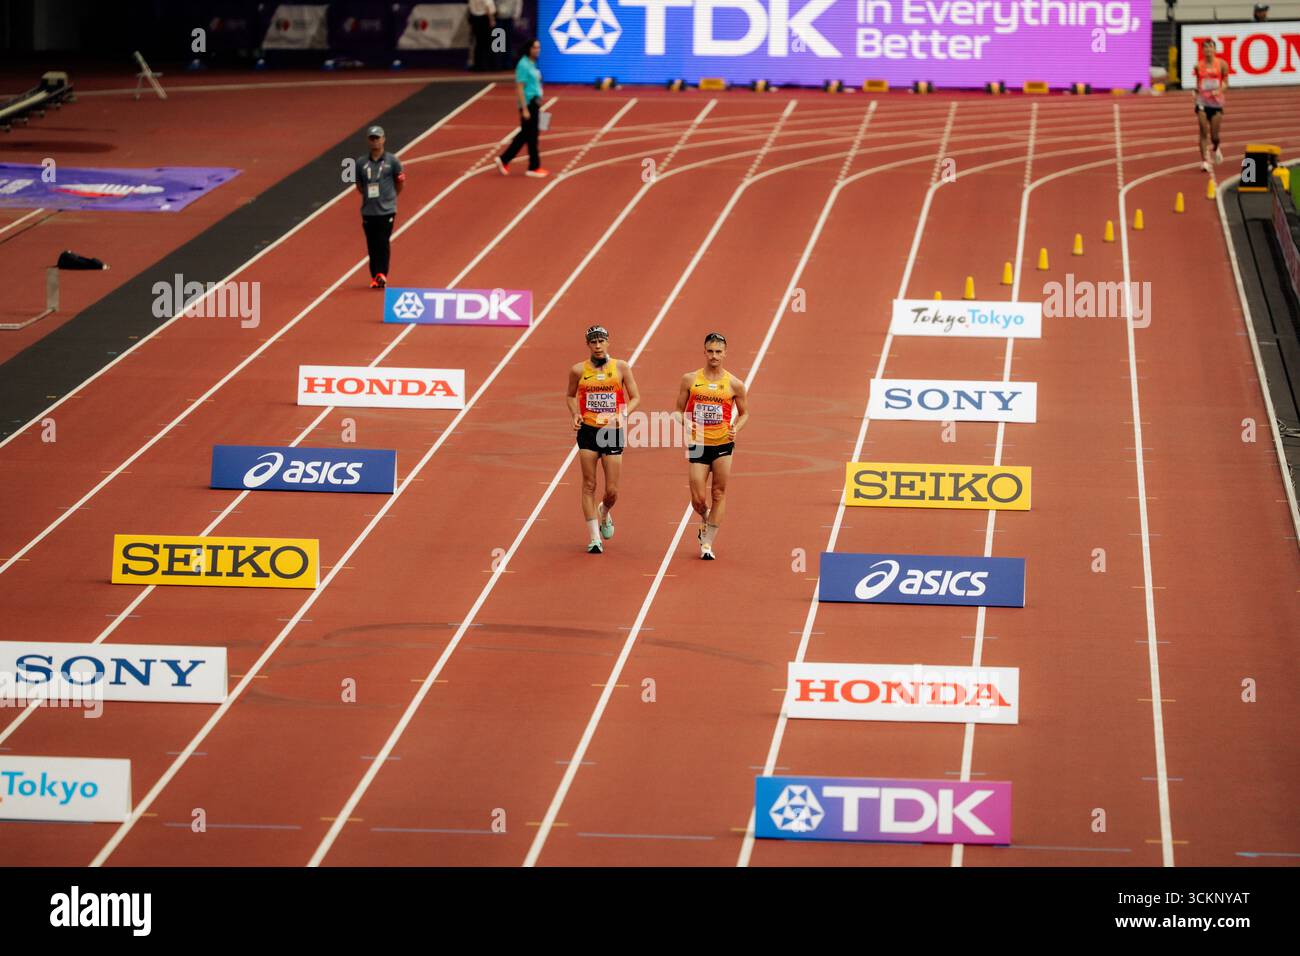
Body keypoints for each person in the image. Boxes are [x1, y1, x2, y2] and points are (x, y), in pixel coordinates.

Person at [674, 333, 749, 561]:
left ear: (725, 353)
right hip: (697, 443)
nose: (714, 355)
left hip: (723, 443)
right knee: (697, 497)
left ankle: (707, 543)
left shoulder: (735, 384)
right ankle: (706, 518)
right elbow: (678, 410)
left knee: (719, 492)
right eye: (710, 351)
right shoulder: (690, 379)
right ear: (704, 352)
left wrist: (736, 427)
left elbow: (745, 413)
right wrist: (684, 421)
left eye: (718, 351)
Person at [567, 326, 640, 554]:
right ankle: (594, 538)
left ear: (608, 342)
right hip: (588, 430)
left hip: (611, 431)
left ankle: (605, 512)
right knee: (589, 485)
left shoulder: (621, 367)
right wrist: (575, 413)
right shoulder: (578, 370)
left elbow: (635, 397)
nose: (597, 345)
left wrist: (623, 413)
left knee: (612, 491)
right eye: (593, 342)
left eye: (601, 341)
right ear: (588, 345)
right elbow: (570, 395)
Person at [356, 125, 405, 288]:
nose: (375, 141)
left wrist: (390, 198)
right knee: (371, 245)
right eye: (372, 138)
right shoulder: (361, 162)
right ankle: (374, 275)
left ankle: (382, 274)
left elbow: (400, 182)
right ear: (368, 140)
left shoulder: (393, 161)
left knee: (382, 242)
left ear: (383, 139)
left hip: (387, 210)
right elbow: (359, 184)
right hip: (369, 211)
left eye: (377, 138)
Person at [495, 38, 548, 178]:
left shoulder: (532, 63)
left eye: (539, 47)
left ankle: (505, 159)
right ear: (529, 49)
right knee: (531, 136)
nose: (538, 50)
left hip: (534, 103)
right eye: (535, 48)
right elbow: (519, 88)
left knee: (527, 135)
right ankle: (533, 167)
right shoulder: (523, 65)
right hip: (528, 104)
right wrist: (524, 109)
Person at [1192, 40, 1228, 173]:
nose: (1208, 50)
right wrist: (1195, 92)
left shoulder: (1222, 64)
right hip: (1202, 102)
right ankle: (1204, 161)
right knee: (1202, 131)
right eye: (1205, 48)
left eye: (1210, 47)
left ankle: (1216, 147)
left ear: (1214, 50)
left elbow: (1225, 82)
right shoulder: (1198, 66)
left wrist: (1219, 90)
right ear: (1202, 51)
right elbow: (1198, 83)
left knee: (1215, 135)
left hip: (1216, 103)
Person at [467, 0, 496, 72]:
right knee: (485, 43)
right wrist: (491, 19)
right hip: (484, 19)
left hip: (475, 18)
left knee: (479, 43)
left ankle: (478, 65)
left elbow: (470, 7)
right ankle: (485, 65)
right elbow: (487, 6)